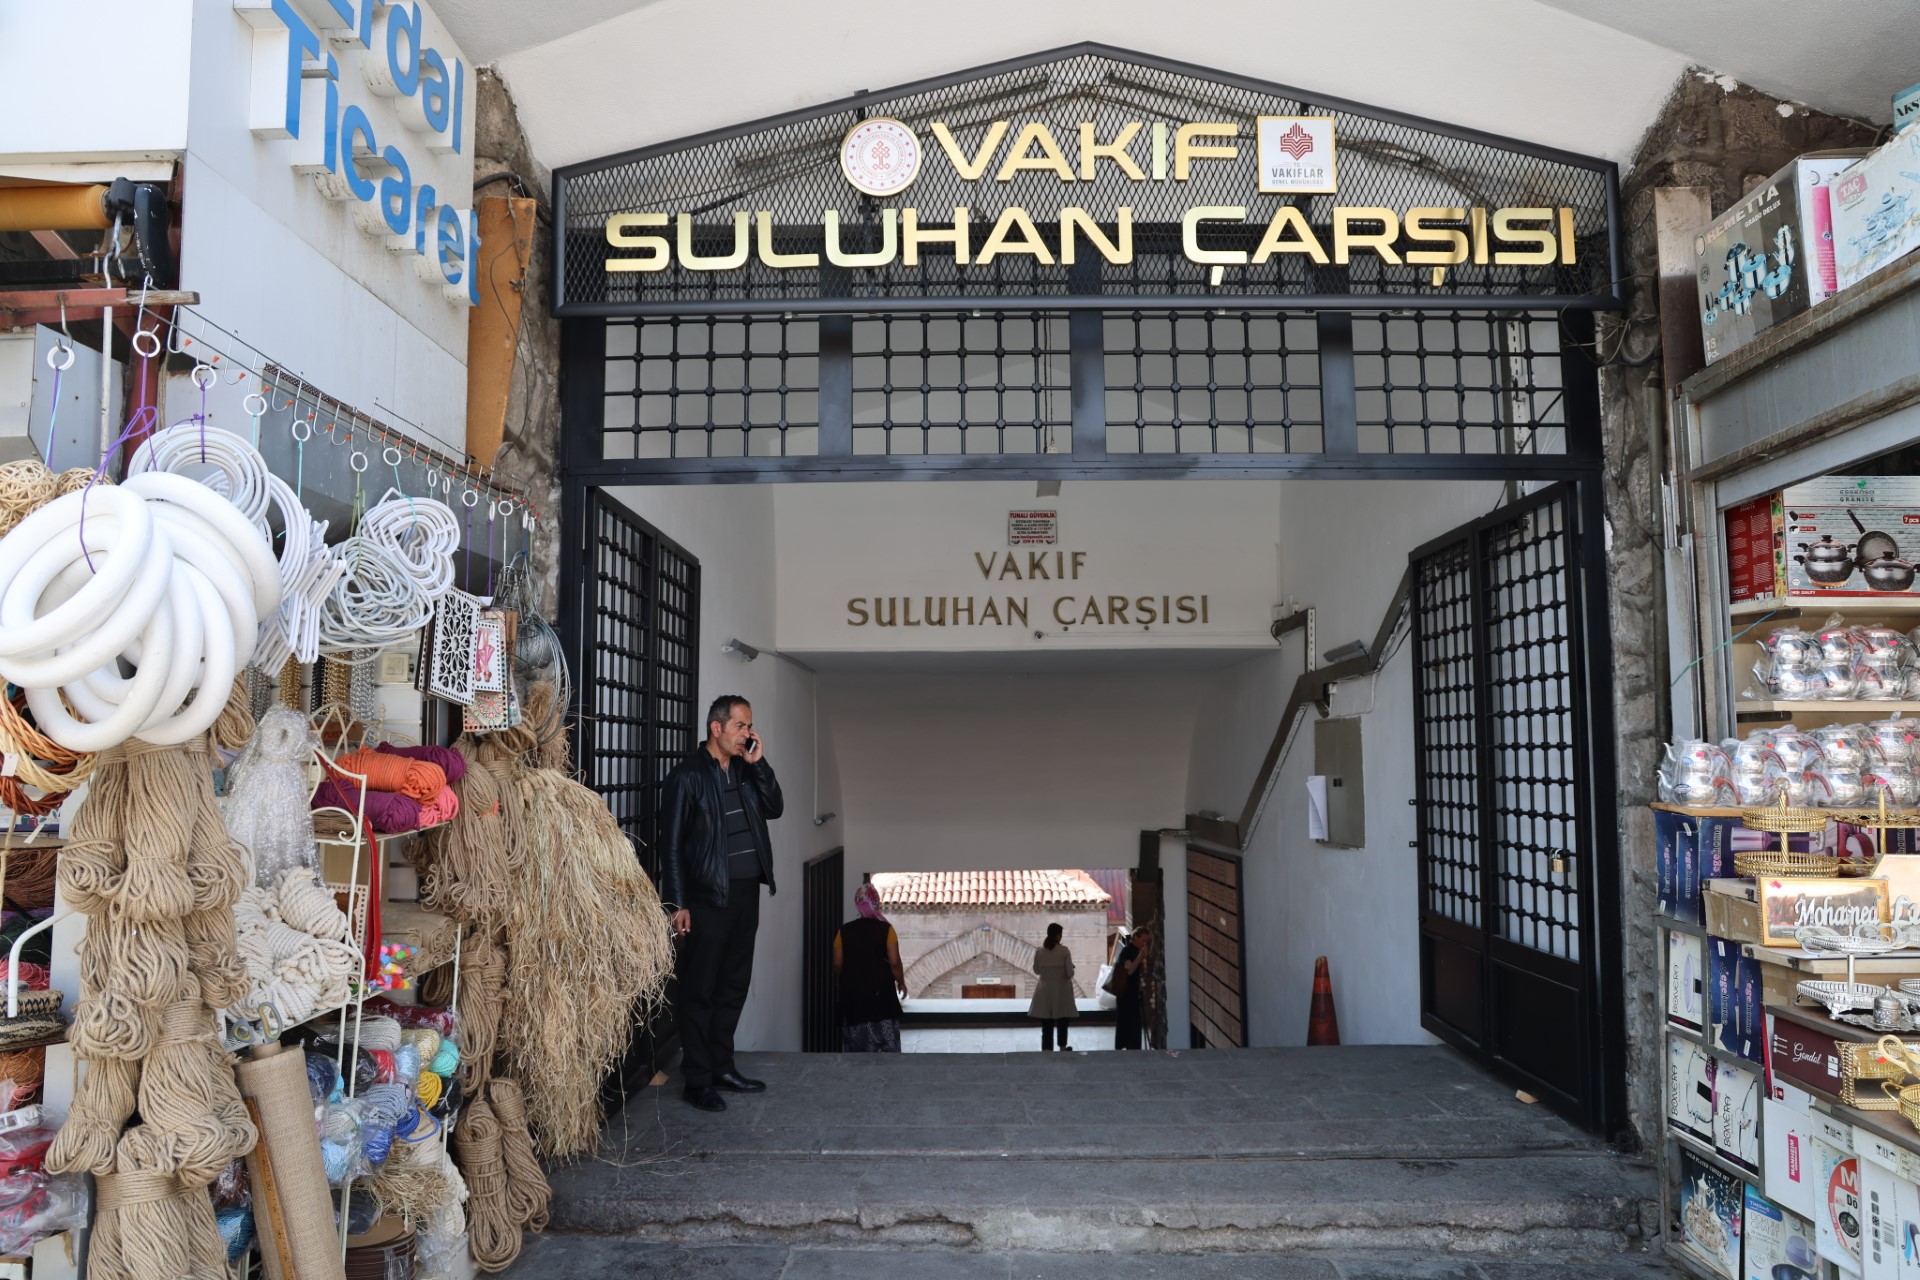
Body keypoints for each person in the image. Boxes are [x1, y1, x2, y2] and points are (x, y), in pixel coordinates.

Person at [660, 694, 785, 1112]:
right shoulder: (687, 776)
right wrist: (677, 902)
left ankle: (721, 1066)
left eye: (749, 726)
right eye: (740, 726)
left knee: (733, 986)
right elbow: (672, 845)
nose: (747, 734)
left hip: (746, 895)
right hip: (707, 898)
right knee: (700, 990)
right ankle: (697, 1079)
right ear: (716, 728)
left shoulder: (748, 771)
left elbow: (775, 807)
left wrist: (760, 764)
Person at [833, 883, 906, 1052]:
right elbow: (894, 961)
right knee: (888, 1052)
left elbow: (837, 963)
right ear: (876, 903)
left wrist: (844, 977)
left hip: (854, 1001)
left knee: (858, 1054)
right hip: (882, 1000)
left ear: (857, 904)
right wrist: (901, 982)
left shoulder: (843, 931)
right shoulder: (886, 930)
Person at [1028, 922, 1078, 1052]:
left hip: (1044, 990)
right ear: (1057, 935)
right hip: (1061, 991)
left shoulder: (1039, 951)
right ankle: (1062, 1048)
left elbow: (1037, 971)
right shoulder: (1064, 951)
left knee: (1046, 1023)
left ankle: (1047, 1050)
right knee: (1062, 1020)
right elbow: (1069, 973)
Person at [1112, 926, 1151, 1051]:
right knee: (1126, 1023)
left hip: (1133, 993)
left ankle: (1132, 1047)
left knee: (1134, 1024)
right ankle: (1126, 1046)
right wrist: (1140, 956)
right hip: (1125, 995)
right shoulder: (1128, 951)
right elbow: (1129, 971)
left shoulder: (1134, 951)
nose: (1144, 944)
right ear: (1136, 938)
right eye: (1143, 941)